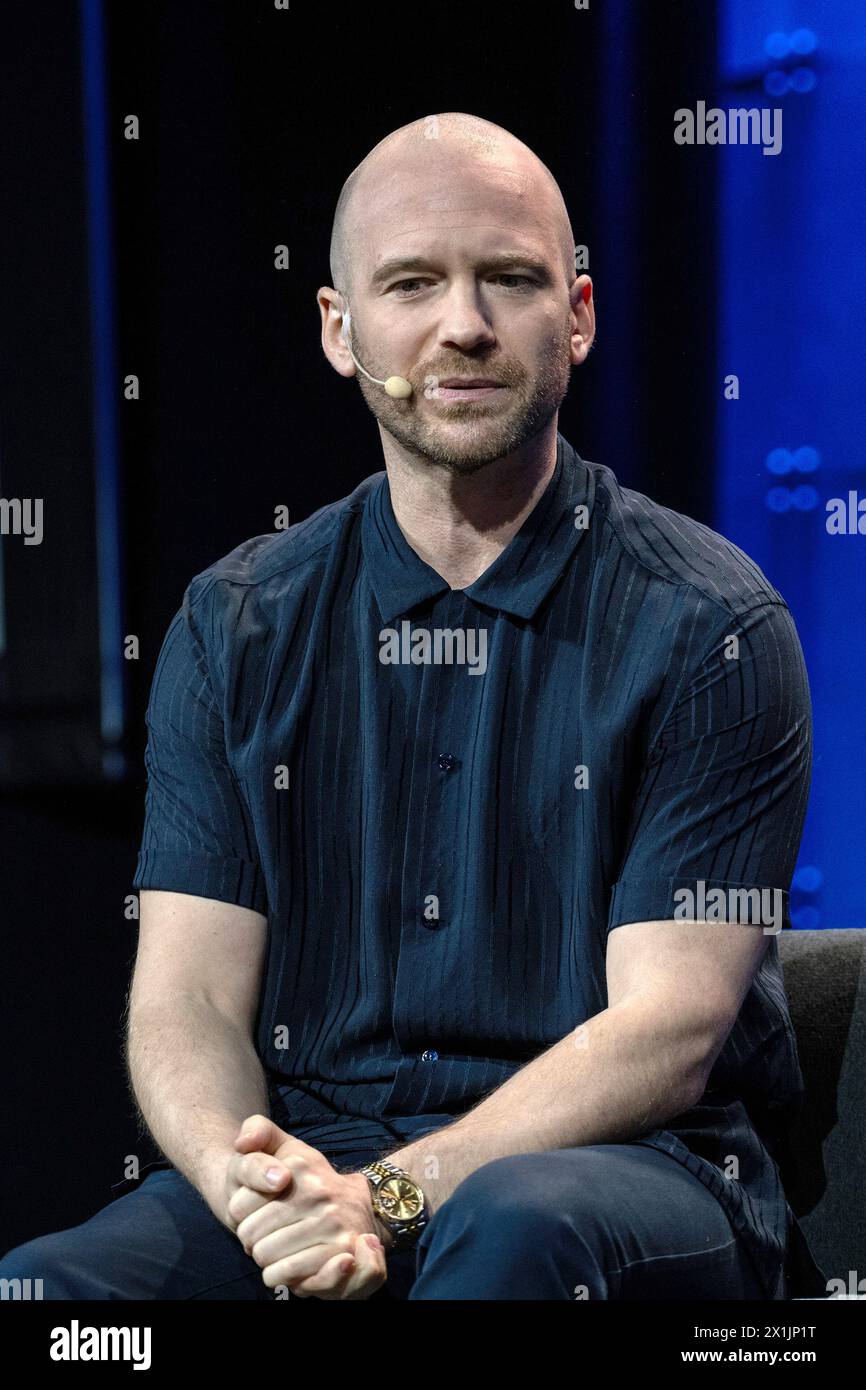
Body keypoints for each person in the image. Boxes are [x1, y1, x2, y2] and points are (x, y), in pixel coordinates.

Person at [0, 111, 828, 1301]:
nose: (463, 325)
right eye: (411, 283)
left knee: (510, 1230)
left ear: (578, 316)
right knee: (51, 1296)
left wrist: (387, 1197)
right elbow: (182, 997)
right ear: (341, 330)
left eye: (509, 278)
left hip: (626, 1179)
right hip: (317, 1170)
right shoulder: (235, 624)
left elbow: (669, 1033)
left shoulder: (712, 627)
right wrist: (264, 1199)